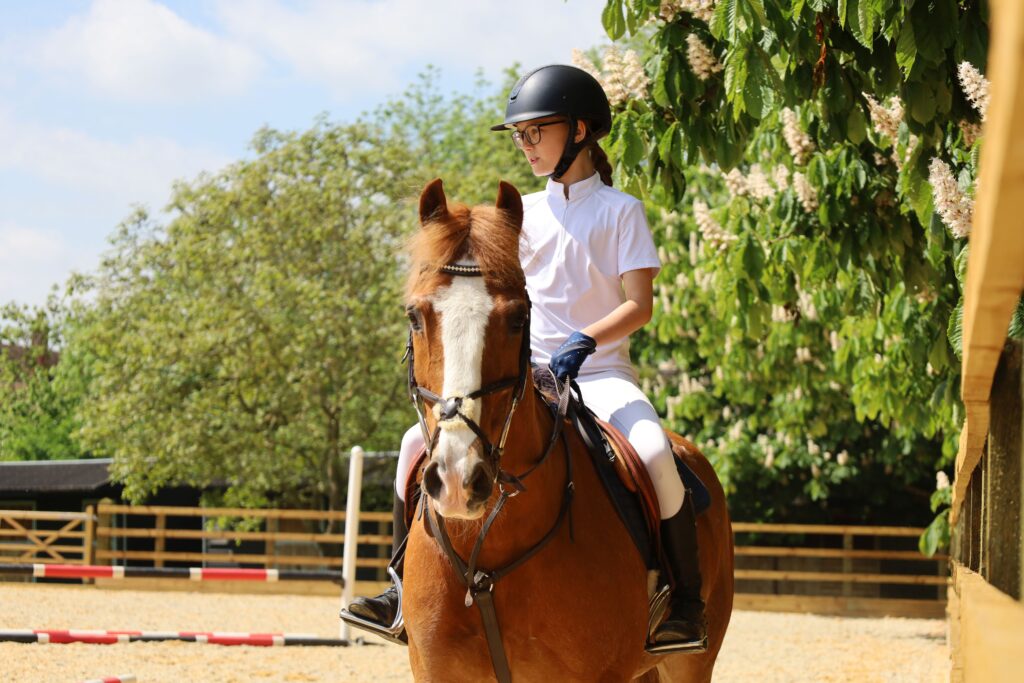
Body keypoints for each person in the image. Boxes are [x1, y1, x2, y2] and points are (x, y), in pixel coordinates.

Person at [344, 64, 706, 649]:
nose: (525, 143)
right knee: (416, 445)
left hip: (601, 371)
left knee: (653, 450)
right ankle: (396, 589)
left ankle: (684, 603)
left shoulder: (620, 211)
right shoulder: (520, 215)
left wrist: (584, 340)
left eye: (537, 131)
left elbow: (639, 305)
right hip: (523, 374)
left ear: (582, 130)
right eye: (520, 134)